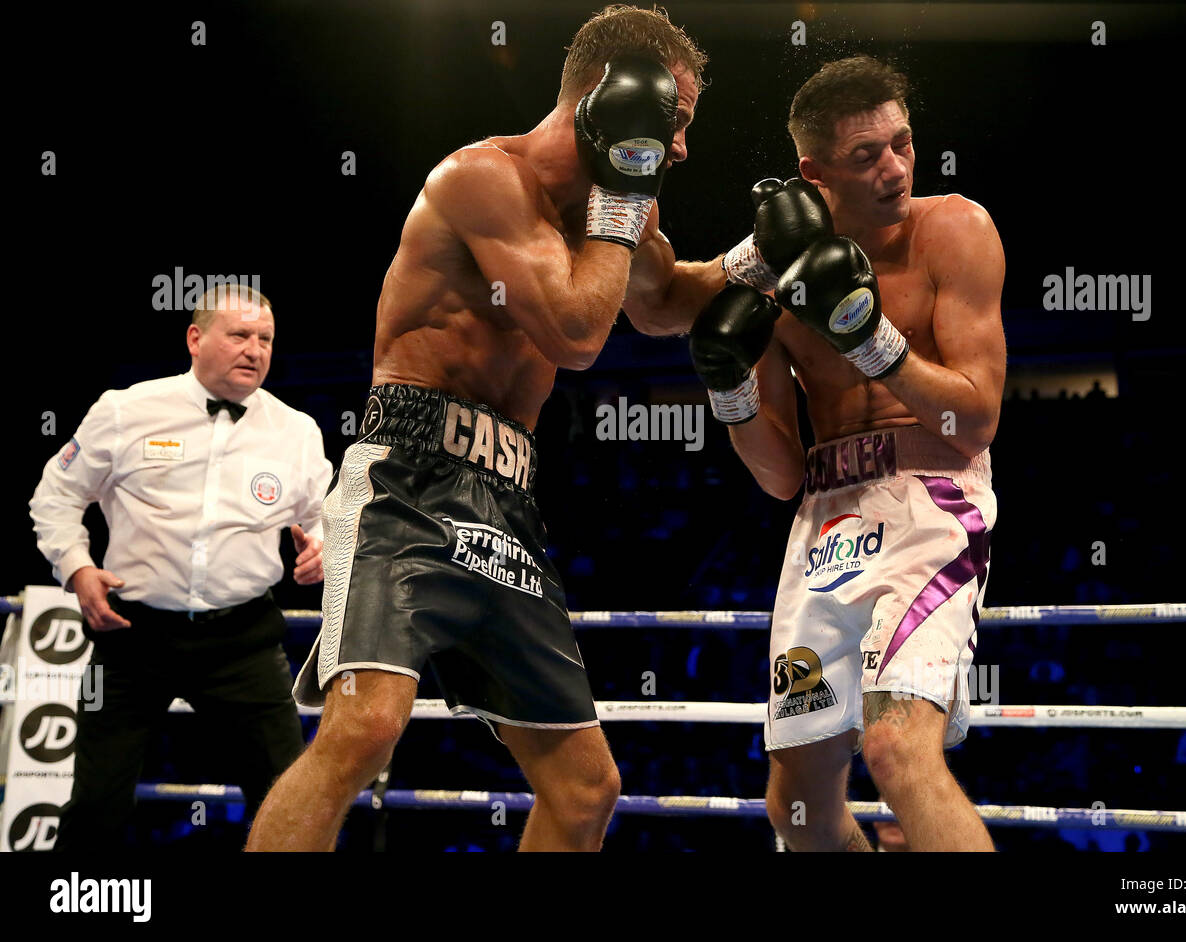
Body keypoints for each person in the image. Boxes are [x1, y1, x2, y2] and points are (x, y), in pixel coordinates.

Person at [245, 5, 715, 852]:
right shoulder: (482, 178)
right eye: (672, 119)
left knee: (585, 789)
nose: (678, 148)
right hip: (407, 476)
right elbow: (576, 333)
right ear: (612, 99)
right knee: (365, 728)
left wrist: (769, 263)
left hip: (507, 500)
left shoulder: (621, 211)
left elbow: (663, 303)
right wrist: (622, 195)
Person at [630, 55, 1006, 851]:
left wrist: (870, 339)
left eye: (903, 143)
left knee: (897, 748)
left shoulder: (954, 229)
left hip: (930, 502)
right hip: (824, 519)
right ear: (814, 171)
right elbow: (779, 476)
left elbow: (974, 421)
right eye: (866, 155)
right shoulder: (774, 274)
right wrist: (729, 390)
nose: (894, 168)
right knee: (796, 804)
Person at [29, 284, 332, 849]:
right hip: (131, 636)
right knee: (95, 803)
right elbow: (56, 495)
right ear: (195, 338)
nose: (254, 350)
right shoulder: (124, 410)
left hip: (243, 640)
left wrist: (321, 547)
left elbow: (323, 517)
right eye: (239, 335)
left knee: (288, 800)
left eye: (265, 339)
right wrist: (76, 567)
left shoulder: (296, 431)